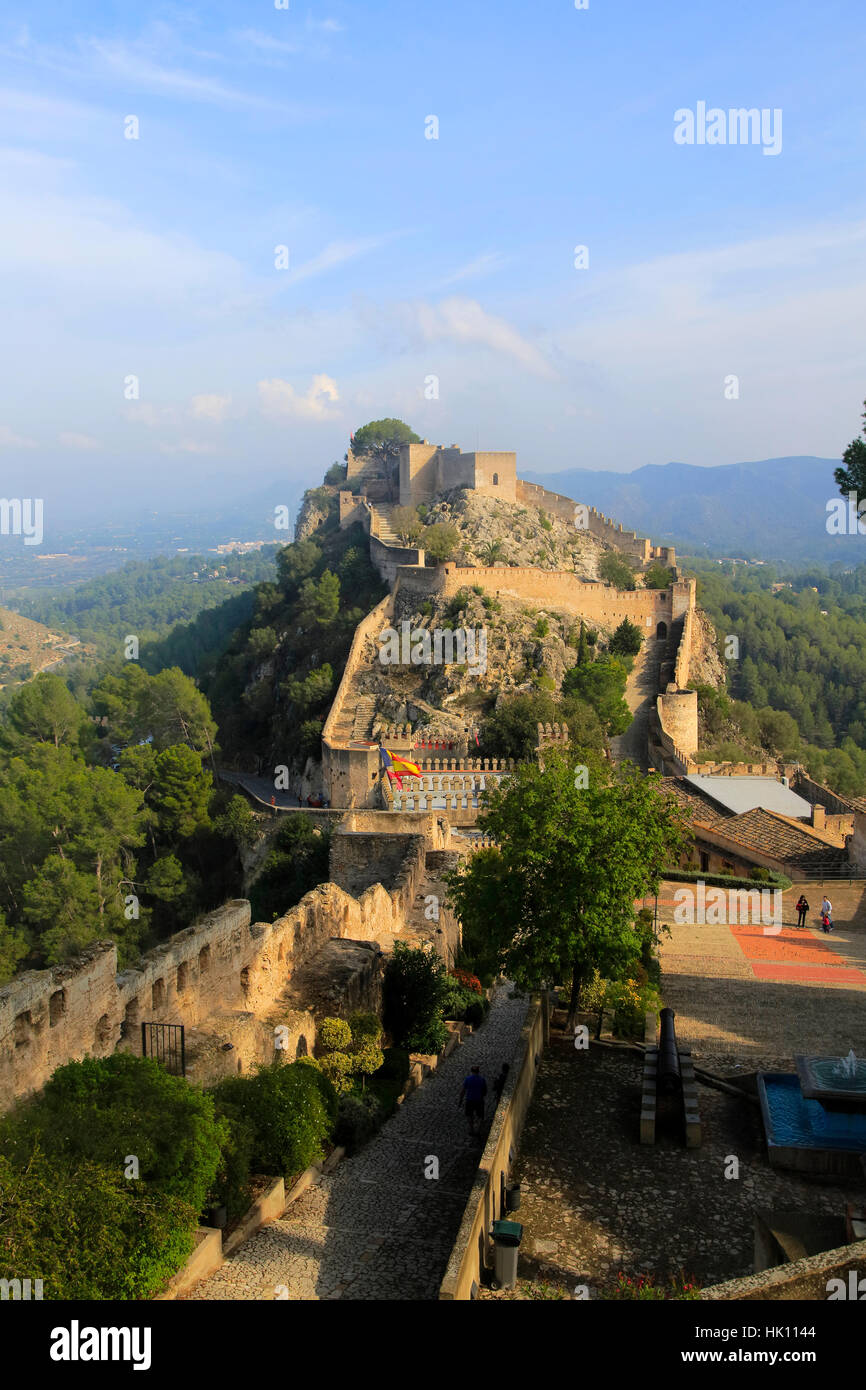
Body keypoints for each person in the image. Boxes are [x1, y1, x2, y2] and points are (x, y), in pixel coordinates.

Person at [458, 1065, 488, 1136]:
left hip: (470, 1100)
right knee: (480, 1116)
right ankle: (478, 1130)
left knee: (469, 1115)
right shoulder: (482, 1079)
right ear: (478, 1071)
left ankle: (471, 1129)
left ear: (471, 1071)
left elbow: (463, 1091)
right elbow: (485, 1091)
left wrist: (460, 1100)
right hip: (479, 1100)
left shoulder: (468, 1079)